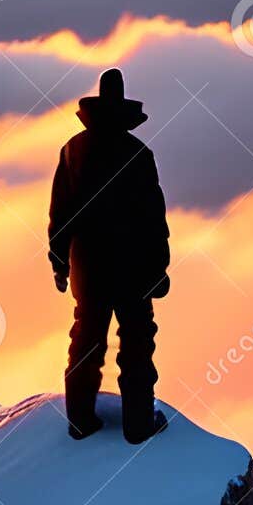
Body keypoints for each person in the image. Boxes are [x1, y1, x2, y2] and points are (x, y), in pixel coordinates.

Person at [48, 69, 169, 443]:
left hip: (88, 269)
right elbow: (153, 219)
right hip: (132, 269)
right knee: (136, 343)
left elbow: (60, 214)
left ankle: (80, 421)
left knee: (86, 340)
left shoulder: (73, 151)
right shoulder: (139, 154)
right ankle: (138, 426)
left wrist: (60, 263)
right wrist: (159, 270)